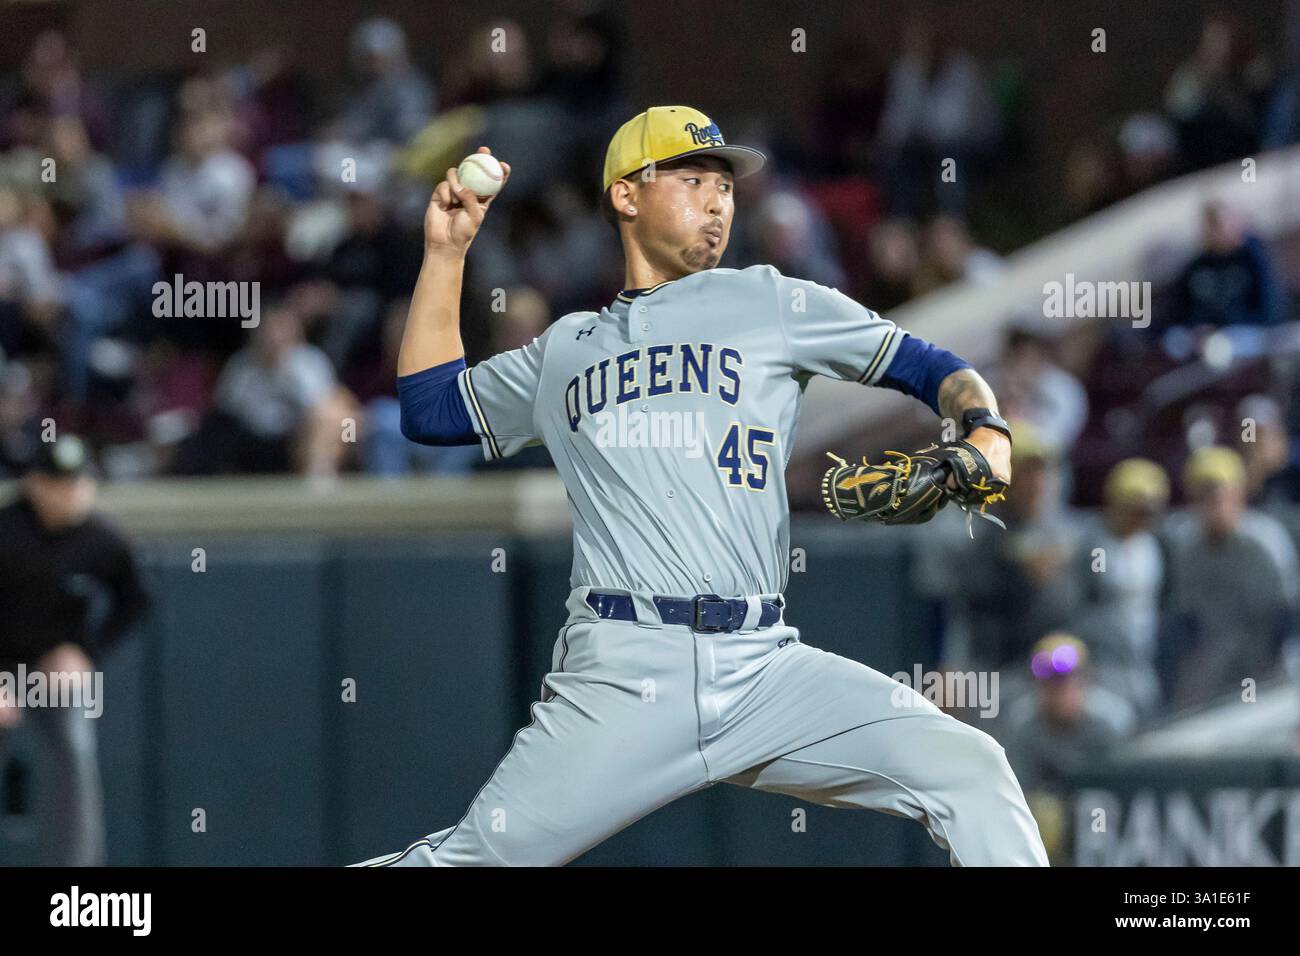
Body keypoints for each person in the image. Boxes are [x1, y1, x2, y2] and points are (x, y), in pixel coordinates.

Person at [358, 106, 1046, 867]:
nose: (718, 201)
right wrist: (446, 254)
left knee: (970, 769)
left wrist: (985, 427)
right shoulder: (565, 351)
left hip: (764, 666)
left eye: (725, 187)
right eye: (693, 180)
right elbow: (430, 410)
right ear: (627, 195)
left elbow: (927, 364)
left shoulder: (772, 300)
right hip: (623, 670)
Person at [0, 435, 148, 865]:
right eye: (60, 483)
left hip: (52, 666)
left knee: (73, 754)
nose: (73, 493)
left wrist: (86, 652)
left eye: (79, 482)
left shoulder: (101, 539)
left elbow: (135, 599)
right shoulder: (6, 533)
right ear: (34, 485)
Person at [1164, 446, 1299, 709]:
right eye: (1205, 493)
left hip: (1269, 660)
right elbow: (1186, 617)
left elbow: (1289, 613)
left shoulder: (1265, 542)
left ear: (1239, 493)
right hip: (1214, 659)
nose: (1214, 501)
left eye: (1220, 492)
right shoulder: (1187, 547)